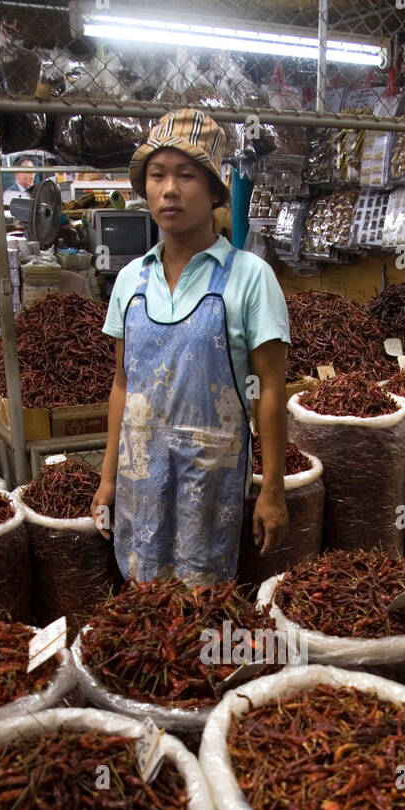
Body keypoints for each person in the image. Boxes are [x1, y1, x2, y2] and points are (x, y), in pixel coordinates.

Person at [90, 108, 290, 585]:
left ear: (215, 190)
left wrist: (272, 491)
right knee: (143, 601)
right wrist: (108, 478)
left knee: (203, 612)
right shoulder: (129, 282)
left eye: (186, 175)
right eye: (157, 176)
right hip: (141, 478)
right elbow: (122, 383)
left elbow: (272, 391)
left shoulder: (249, 277)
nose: (169, 189)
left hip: (211, 483)